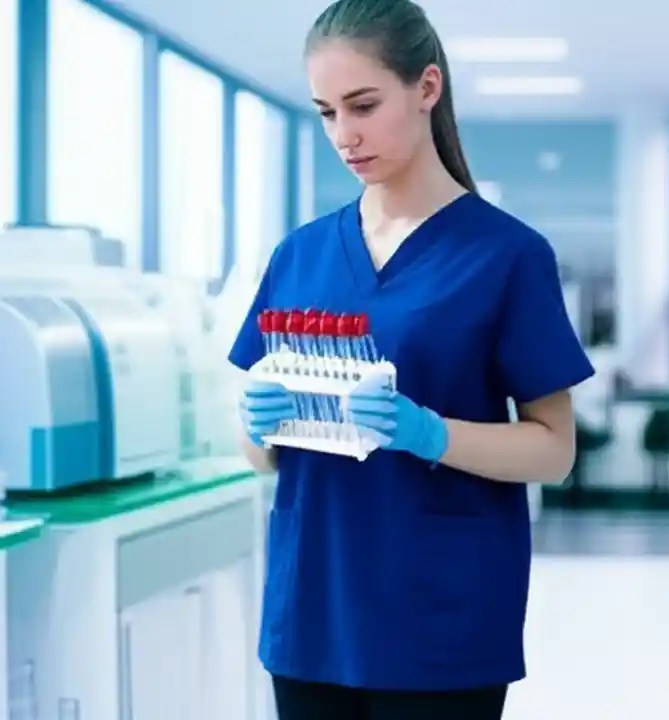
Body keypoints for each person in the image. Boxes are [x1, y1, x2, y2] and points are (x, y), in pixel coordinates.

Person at [228, 1, 595, 718]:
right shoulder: (299, 255)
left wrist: (429, 432)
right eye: (327, 112)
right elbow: (260, 455)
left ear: (427, 87)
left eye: (363, 105)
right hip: (313, 616)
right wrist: (258, 425)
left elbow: (554, 450)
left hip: (439, 622)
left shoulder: (507, 256)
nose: (344, 134)